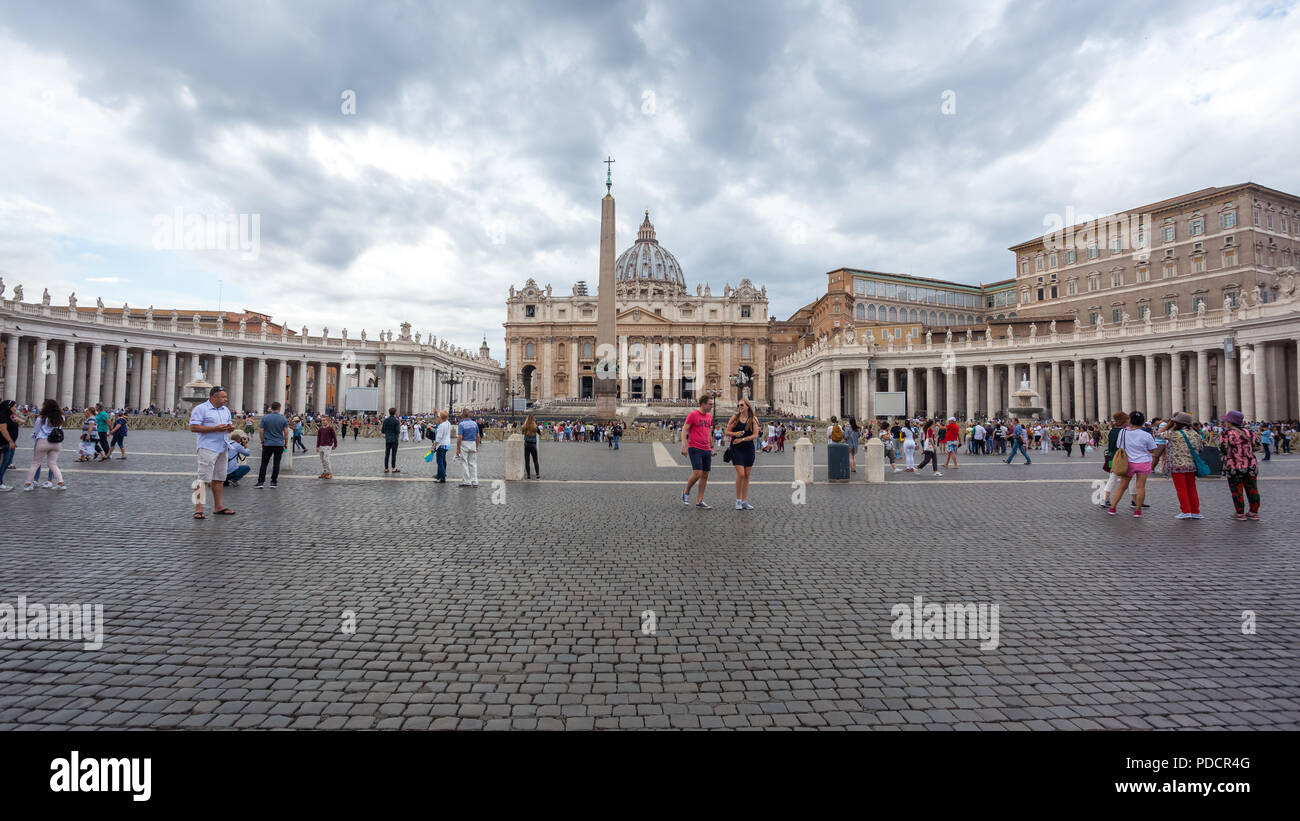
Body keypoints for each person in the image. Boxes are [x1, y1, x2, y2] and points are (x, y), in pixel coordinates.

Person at [189, 385, 235, 517]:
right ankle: (198, 508)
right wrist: (215, 428)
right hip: (207, 447)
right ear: (214, 397)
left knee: (219, 478)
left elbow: (226, 425)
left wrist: (229, 428)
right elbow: (193, 428)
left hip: (222, 446)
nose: (226, 399)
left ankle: (218, 506)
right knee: (202, 478)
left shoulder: (225, 410)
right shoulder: (201, 409)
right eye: (223, 397)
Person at [1107, 411, 1159, 517]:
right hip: (1143, 462)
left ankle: (1112, 508)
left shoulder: (1123, 432)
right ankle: (1138, 511)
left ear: (1130, 420)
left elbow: (1119, 445)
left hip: (1128, 463)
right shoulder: (1146, 435)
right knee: (1140, 487)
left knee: (1122, 486)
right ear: (1143, 422)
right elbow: (1153, 450)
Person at [1219, 411, 1260, 521]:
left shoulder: (1227, 434)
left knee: (1237, 490)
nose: (1225, 422)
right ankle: (1254, 512)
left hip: (1234, 465)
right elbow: (1257, 446)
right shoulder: (1250, 432)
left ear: (1230, 422)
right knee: (1252, 489)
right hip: (1251, 465)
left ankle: (1240, 513)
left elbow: (1222, 448)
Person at [1163, 411, 1204, 519]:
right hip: (1191, 465)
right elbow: (1200, 448)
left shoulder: (1174, 433)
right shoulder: (1195, 433)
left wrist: (1168, 425)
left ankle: (1186, 511)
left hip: (1178, 465)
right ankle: (1195, 511)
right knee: (1192, 488)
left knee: (1181, 489)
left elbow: (1157, 434)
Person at [22, 399, 67, 491]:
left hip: (43, 441)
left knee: (36, 463)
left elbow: (36, 431)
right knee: (53, 464)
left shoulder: (41, 417)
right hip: (56, 442)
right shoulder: (61, 417)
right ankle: (61, 483)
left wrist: (35, 438)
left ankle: (27, 484)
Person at [681, 395, 715, 509]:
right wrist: (684, 446)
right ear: (703, 404)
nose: (712, 406)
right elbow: (685, 429)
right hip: (695, 447)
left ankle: (699, 500)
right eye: (710, 404)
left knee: (705, 475)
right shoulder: (693, 415)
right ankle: (686, 491)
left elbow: (709, 432)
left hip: (706, 448)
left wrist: (712, 446)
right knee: (698, 473)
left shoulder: (710, 416)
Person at [725, 398, 759, 509]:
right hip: (736, 448)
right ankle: (738, 500)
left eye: (741, 405)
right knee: (741, 474)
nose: (739, 407)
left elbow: (755, 435)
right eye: (738, 405)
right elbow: (727, 432)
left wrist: (742, 439)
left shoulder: (753, 419)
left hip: (748, 448)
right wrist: (736, 433)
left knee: (747, 475)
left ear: (747, 407)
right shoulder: (735, 418)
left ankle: (744, 501)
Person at [255, 401, 288, 488]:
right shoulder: (283, 419)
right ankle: (273, 482)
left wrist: (262, 441)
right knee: (276, 464)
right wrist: (286, 443)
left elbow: (261, 431)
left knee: (264, 463)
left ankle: (261, 482)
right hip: (279, 444)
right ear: (279, 408)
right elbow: (286, 433)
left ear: (271, 408)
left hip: (268, 443)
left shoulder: (265, 418)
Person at [455, 413, 480, 487]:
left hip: (464, 443)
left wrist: (458, 448)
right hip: (473, 443)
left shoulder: (461, 424)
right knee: (473, 463)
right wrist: (476, 446)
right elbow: (478, 436)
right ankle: (475, 481)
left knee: (464, 462)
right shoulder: (475, 424)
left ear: (463, 416)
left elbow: (459, 437)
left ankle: (467, 481)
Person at [0, 399, 18, 491]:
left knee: (5, 463)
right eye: (14, 406)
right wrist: (10, 441)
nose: (16, 408)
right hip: (3, 443)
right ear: (9, 407)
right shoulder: (2, 415)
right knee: (4, 462)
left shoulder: (8, 415)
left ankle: (1, 482)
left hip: (7, 443)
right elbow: (3, 429)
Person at [433, 411, 451, 483]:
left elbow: (438, 438)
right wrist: (436, 413)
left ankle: (442, 477)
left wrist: (434, 446)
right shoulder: (448, 423)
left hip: (441, 445)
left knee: (440, 462)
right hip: (446, 444)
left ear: (441, 417)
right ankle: (440, 475)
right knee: (443, 460)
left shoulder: (441, 426)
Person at [382, 408, 401, 474]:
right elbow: (397, 431)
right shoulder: (396, 421)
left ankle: (386, 468)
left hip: (387, 439)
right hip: (394, 439)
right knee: (393, 454)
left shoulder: (385, 420)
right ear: (395, 413)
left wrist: (388, 433)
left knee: (387, 454)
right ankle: (393, 468)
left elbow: (383, 431)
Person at [522, 414, 541, 479]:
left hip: (526, 445)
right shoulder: (535, 427)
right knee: (535, 460)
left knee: (527, 461)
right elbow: (539, 433)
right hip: (533, 445)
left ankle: (528, 475)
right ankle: (537, 474)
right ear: (533, 419)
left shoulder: (524, 426)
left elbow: (522, 432)